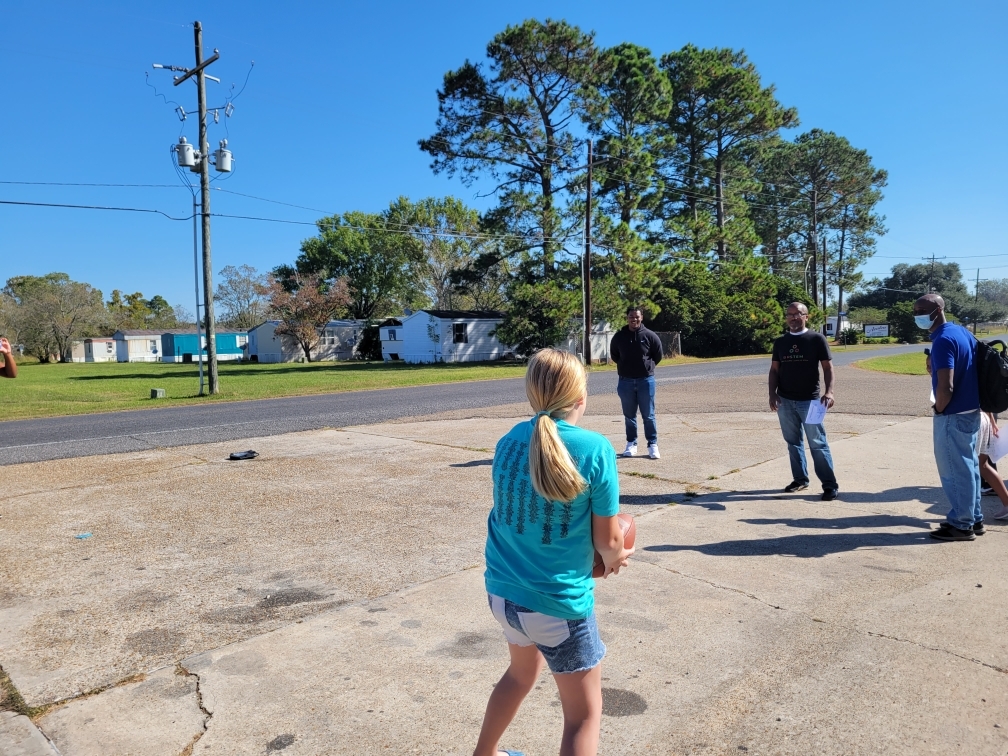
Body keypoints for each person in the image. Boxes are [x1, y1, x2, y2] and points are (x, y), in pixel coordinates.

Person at [476, 348, 633, 756]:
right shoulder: (594, 449)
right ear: (581, 397)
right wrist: (615, 558)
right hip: (557, 605)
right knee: (582, 716)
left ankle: (485, 753)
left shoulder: (509, 440)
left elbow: (513, 516)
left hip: (503, 594)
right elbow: (608, 542)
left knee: (519, 675)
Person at [917, 293, 983, 541]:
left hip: (953, 414)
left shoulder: (944, 340)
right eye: (915, 310)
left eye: (921, 310)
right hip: (970, 411)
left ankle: (962, 524)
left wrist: (940, 409)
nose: (917, 315)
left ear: (937, 310)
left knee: (955, 470)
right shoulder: (961, 332)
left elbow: (946, 386)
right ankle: (974, 519)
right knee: (969, 467)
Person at [768, 302, 839, 500]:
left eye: (798, 314)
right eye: (789, 314)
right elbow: (774, 370)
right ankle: (800, 479)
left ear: (806, 316)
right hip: (785, 400)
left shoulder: (816, 339)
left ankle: (829, 485)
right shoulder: (780, 342)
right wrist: (772, 393)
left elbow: (828, 368)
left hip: (812, 401)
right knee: (793, 443)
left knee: (818, 443)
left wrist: (830, 392)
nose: (793, 317)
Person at [609, 306, 663, 459]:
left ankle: (652, 444)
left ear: (642, 317)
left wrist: (647, 367)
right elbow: (615, 355)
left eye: (637, 317)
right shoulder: (619, 336)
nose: (634, 319)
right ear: (627, 318)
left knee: (649, 415)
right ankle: (631, 443)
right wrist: (625, 367)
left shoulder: (650, 336)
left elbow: (657, 355)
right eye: (631, 317)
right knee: (629, 415)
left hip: (646, 381)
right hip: (625, 382)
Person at [978, 411, 1008, 519]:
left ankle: (969, 517)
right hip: (985, 417)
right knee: (982, 465)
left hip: (969, 417)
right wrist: (991, 419)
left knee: (972, 465)